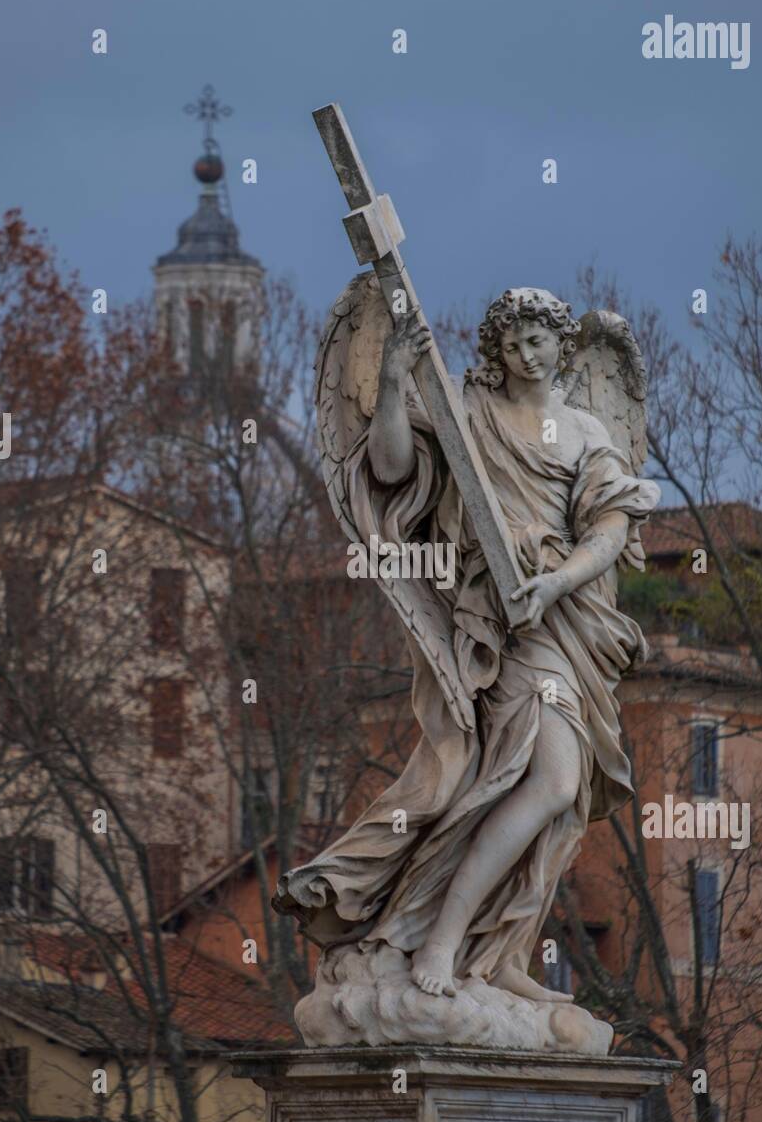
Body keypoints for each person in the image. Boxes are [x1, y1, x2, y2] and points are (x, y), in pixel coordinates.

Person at [275, 288, 660, 1004]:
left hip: (566, 620)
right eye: (511, 342)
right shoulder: (466, 412)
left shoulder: (581, 431)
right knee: (550, 779)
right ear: (496, 348)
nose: (524, 353)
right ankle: (445, 940)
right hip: (501, 624)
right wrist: (392, 381)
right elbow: (390, 472)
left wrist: (557, 583)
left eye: (538, 340)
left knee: (557, 804)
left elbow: (611, 529)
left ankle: (498, 950)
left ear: (561, 345)